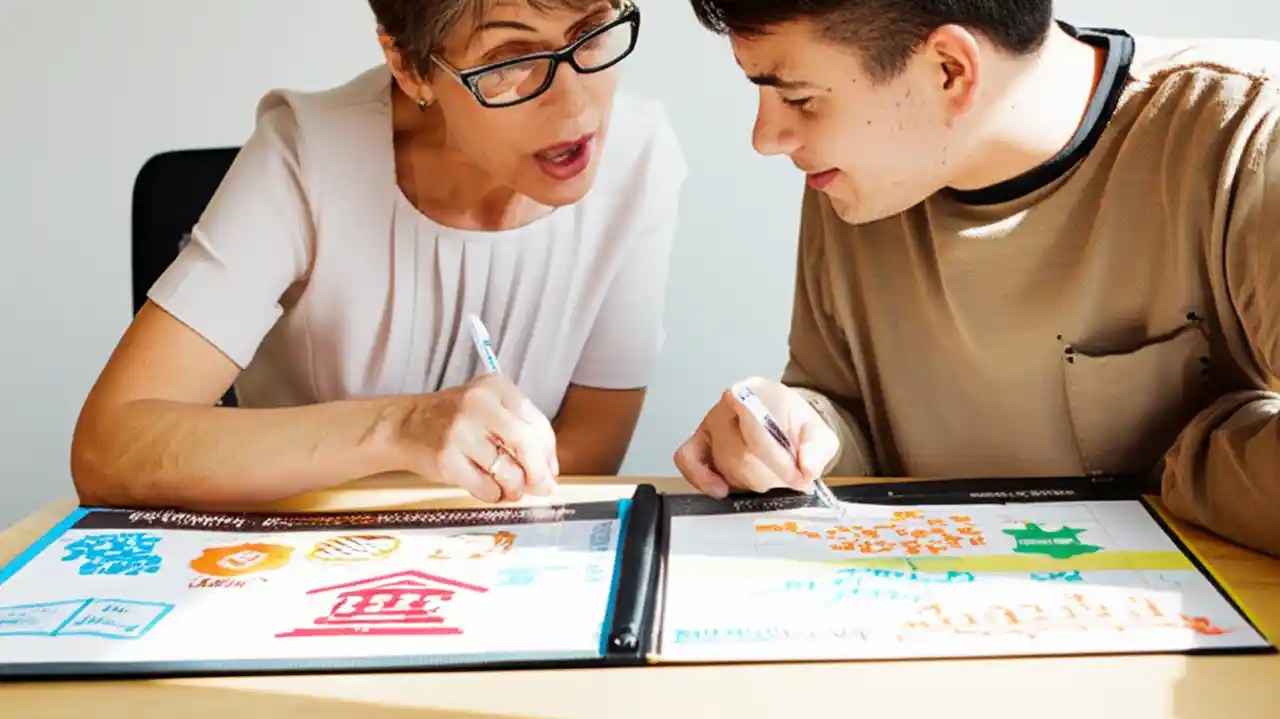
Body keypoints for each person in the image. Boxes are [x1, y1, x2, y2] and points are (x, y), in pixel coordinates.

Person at [673, 0, 1280, 557]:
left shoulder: (1246, 138)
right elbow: (850, 416)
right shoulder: (858, 178)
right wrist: (792, 434)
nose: (766, 139)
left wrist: (1192, 464)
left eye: (801, 100)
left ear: (950, 71)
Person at [71, 0, 686, 510]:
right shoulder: (309, 155)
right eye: (511, 60)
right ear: (409, 67)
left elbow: (586, 461)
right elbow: (108, 449)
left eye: (591, 32)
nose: (576, 106)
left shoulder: (638, 160)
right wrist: (400, 427)